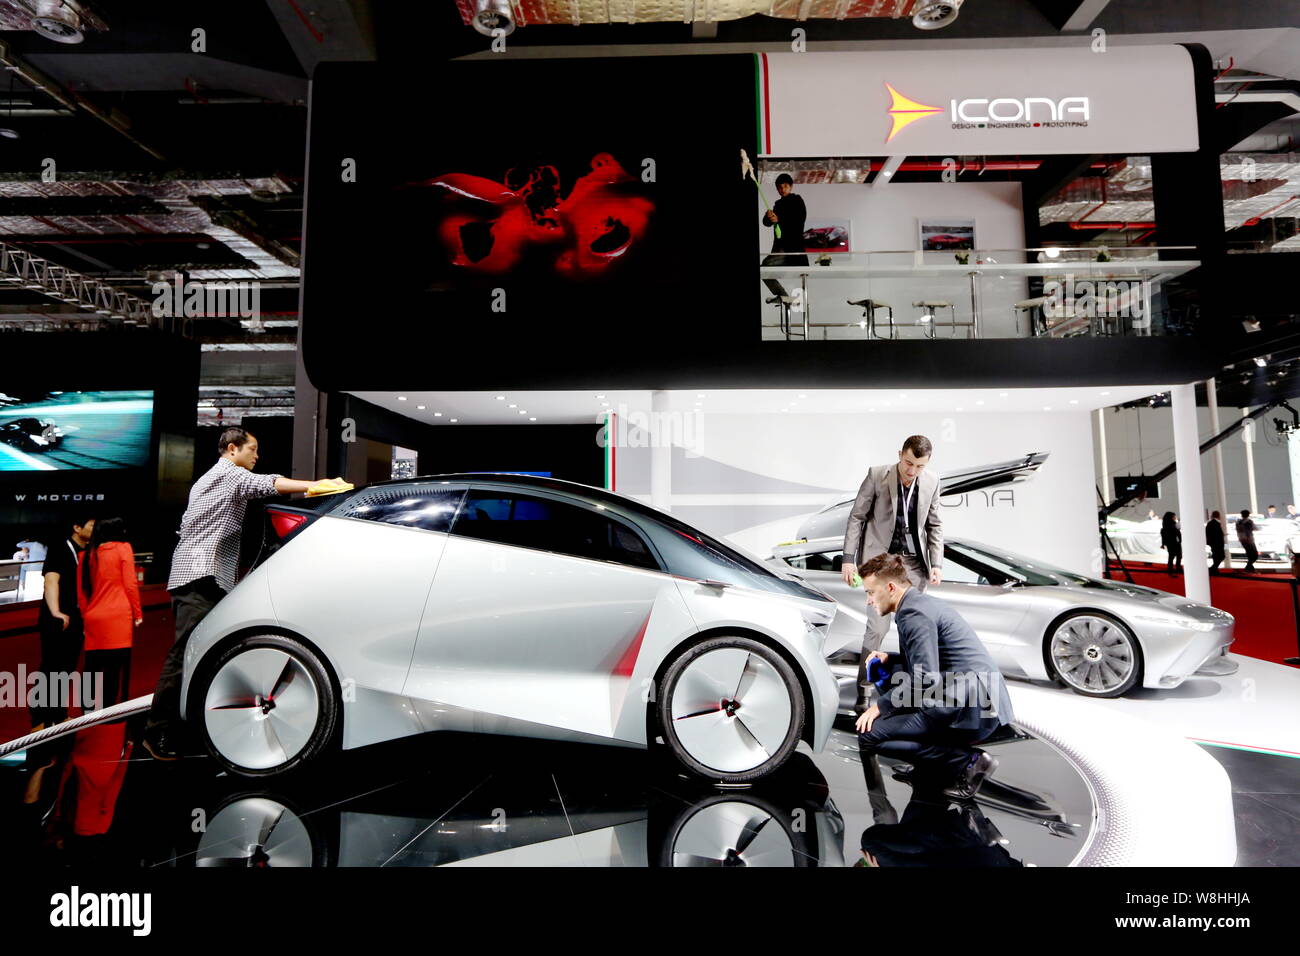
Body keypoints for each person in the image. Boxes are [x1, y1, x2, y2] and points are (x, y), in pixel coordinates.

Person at [142, 426, 345, 760]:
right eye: (253, 449)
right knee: (184, 655)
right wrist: (316, 485)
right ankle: (157, 731)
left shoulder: (210, 479)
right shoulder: (228, 474)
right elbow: (266, 483)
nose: (257, 456)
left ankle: (185, 727)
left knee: (199, 653)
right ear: (232, 449)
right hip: (200, 574)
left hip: (200, 575)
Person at [854, 553, 1014, 799]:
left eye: (871, 592)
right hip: (975, 698)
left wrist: (880, 706)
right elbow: (929, 663)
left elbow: (925, 679)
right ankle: (931, 768)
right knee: (890, 677)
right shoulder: (918, 603)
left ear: (890, 588)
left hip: (972, 707)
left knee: (869, 735)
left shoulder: (913, 614)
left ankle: (969, 761)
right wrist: (890, 657)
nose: (869, 600)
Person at [841, 435, 944, 711]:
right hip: (881, 564)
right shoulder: (877, 475)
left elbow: (934, 525)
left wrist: (936, 563)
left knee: (912, 630)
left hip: (913, 567)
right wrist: (849, 560)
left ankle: (908, 693)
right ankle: (864, 691)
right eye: (908, 463)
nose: (912, 470)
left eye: (919, 466)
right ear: (900, 454)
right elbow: (857, 517)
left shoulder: (932, 481)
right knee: (877, 628)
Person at [29, 514, 95, 733]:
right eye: (91, 525)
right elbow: (51, 580)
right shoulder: (60, 548)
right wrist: (56, 611)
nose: (95, 529)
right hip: (56, 619)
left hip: (76, 619)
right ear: (77, 527)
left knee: (66, 668)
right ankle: (39, 718)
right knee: (51, 667)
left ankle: (58, 714)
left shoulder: (87, 552)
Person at [77, 517, 141, 711]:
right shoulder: (123, 548)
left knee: (92, 665)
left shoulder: (86, 555)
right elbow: (130, 584)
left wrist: (85, 617)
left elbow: (81, 592)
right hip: (118, 615)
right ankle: (108, 709)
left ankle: (87, 709)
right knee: (114, 667)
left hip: (93, 615)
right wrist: (137, 613)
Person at [760, 173, 807, 266]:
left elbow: (798, 220)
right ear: (777, 189)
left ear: (791, 186)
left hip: (792, 247)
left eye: (785, 186)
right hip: (779, 247)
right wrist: (768, 216)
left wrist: (778, 219)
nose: (783, 189)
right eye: (780, 187)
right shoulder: (778, 204)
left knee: (766, 266)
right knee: (766, 267)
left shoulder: (797, 200)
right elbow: (767, 223)